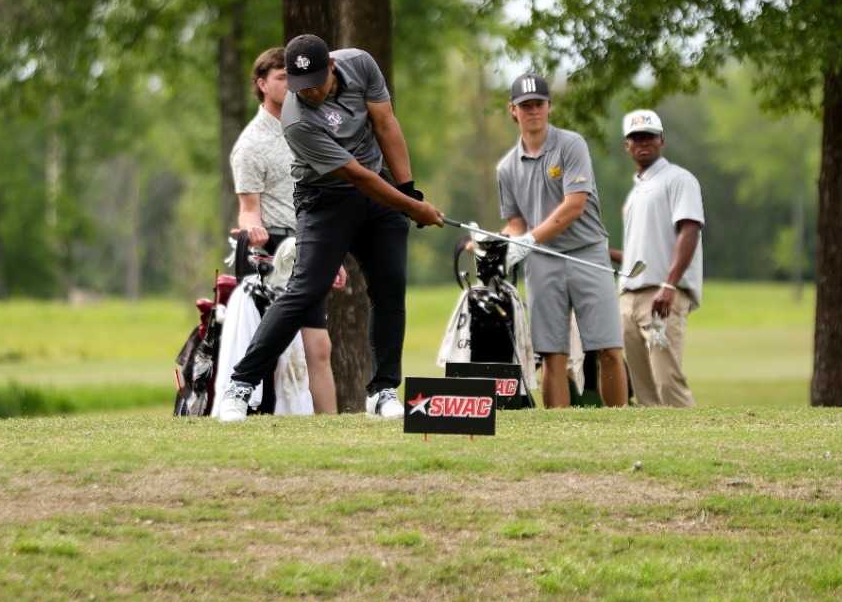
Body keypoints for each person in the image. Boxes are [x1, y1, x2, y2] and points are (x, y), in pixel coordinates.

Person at [219, 34, 445, 422]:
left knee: (390, 287)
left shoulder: (361, 63)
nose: (308, 94)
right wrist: (414, 208)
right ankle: (240, 386)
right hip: (325, 200)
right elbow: (354, 175)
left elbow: (386, 123)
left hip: (381, 188)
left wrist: (409, 191)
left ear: (333, 68)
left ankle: (383, 390)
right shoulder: (295, 119)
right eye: (299, 87)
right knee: (306, 289)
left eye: (316, 85)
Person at [490, 72, 628, 408]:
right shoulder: (506, 168)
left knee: (607, 346)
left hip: (588, 252)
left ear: (549, 106)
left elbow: (574, 207)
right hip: (543, 261)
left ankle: (621, 425)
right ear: (513, 110)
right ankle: (559, 433)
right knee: (552, 353)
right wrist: (496, 243)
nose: (532, 111)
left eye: (538, 104)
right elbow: (516, 224)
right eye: (525, 106)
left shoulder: (571, 145)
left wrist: (527, 240)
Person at [229, 46, 345, 414]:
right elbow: (247, 211)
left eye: (291, 78)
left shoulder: (310, 127)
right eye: (281, 78)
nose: (289, 85)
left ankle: (331, 427)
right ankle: (262, 420)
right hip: (269, 250)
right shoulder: (250, 145)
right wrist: (256, 230)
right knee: (272, 350)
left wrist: (331, 257)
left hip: (307, 244)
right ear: (262, 84)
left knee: (319, 347)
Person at [613, 109, 703, 407]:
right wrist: (604, 253)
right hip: (630, 295)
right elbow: (642, 255)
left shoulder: (678, 179)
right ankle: (659, 452)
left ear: (661, 140)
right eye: (636, 137)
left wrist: (669, 285)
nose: (643, 142)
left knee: (667, 383)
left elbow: (689, 231)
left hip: (661, 295)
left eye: (649, 136)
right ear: (627, 144)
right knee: (645, 391)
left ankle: (696, 448)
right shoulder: (637, 192)